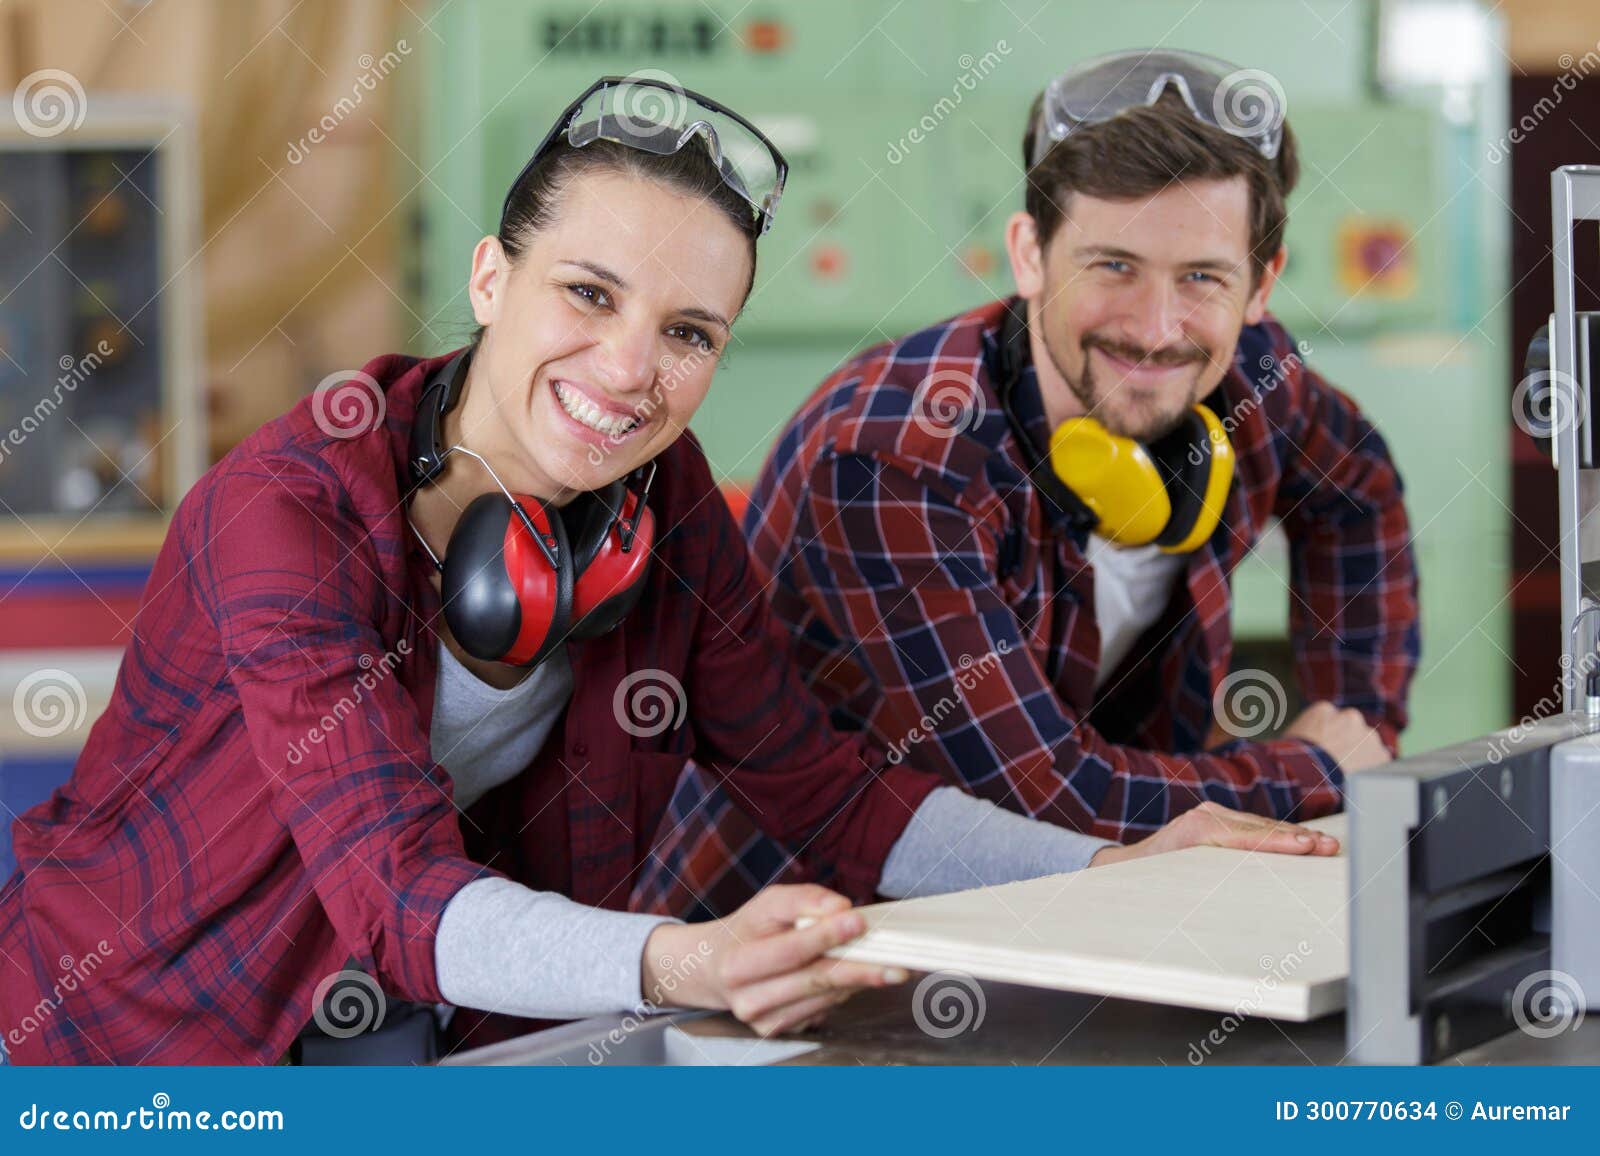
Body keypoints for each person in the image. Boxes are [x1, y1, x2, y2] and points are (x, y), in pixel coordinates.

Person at [0, 74, 1339, 1066]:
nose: (631, 368)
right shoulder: (290, 511)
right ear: (490, 277)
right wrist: (677, 960)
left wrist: (1108, 864)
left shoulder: (666, 499)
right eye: (588, 294)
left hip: (416, 1041)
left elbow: (826, 791)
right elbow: (396, 893)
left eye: (689, 331)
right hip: (131, 1043)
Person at [633, 52, 1419, 913]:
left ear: (1260, 285)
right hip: (793, 941)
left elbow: (1359, 492)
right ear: (1029, 254)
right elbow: (1047, 798)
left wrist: (1359, 712)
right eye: (1112, 265)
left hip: (1084, 911)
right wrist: (1322, 767)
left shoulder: (1253, 382)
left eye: (1202, 277)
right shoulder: (894, 458)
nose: (1157, 329)